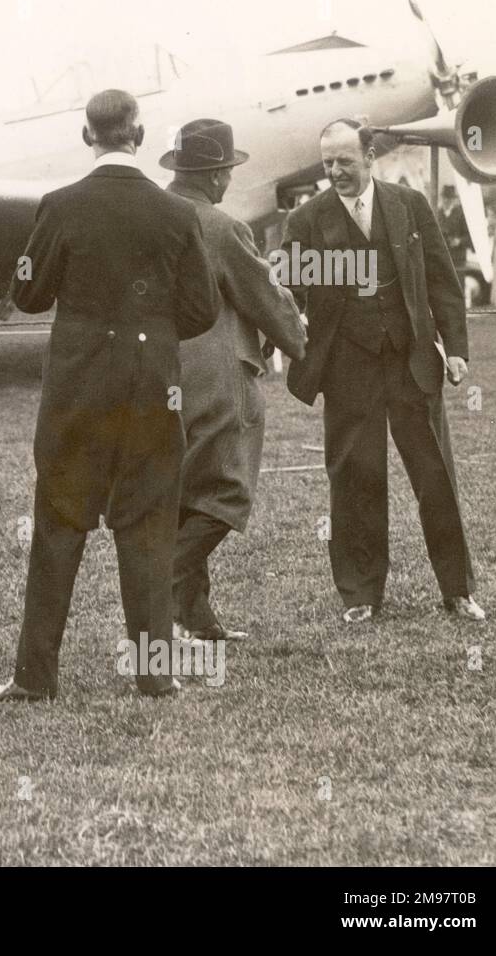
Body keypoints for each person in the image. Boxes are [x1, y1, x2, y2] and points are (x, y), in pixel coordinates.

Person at [0, 89, 219, 702]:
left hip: (78, 392)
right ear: (139, 135)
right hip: (152, 389)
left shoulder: (60, 206)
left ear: (87, 136)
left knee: (59, 523)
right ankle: (153, 673)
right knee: (147, 526)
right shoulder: (176, 215)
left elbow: (29, 295)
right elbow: (202, 309)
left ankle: (35, 677)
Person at [284, 118, 483, 624]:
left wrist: (455, 348)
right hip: (347, 371)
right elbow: (288, 290)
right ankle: (360, 595)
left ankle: (458, 590)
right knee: (354, 478)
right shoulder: (307, 220)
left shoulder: (409, 205)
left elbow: (441, 279)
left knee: (436, 476)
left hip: (412, 362)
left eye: (345, 162)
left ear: (370, 157)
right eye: (328, 162)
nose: (335, 171)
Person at [162, 119, 307, 641]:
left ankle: (192, 618)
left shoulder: (150, 217)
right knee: (227, 492)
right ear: (219, 175)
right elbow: (266, 297)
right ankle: (160, 591)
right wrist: (301, 343)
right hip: (217, 377)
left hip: (158, 377)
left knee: (182, 495)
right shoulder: (220, 227)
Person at [436, 185, 470, 270]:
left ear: (453, 199)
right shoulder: (437, 213)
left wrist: (459, 241)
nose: (446, 200)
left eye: (449, 198)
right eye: (444, 197)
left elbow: (469, 236)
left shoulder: (461, 214)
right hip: (441, 259)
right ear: (441, 198)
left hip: (457, 259)